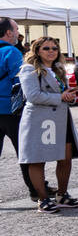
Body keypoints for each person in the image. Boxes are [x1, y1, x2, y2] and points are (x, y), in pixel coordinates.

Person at [18, 37, 78, 212]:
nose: (51, 51)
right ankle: (43, 199)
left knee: (65, 157)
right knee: (37, 159)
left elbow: (63, 93)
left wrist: (70, 96)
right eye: (46, 48)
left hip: (61, 119)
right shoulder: (29, 69)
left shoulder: (59, 68)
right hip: (40, 120)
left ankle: (62, 195)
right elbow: (32, 96)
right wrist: (60, 97)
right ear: (37, 50)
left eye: (54, 48)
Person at [0, 17, 45, 200]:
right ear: (9, 32)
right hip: (10, 111)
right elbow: (19, 83)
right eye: (17, 29)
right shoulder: (11, 52)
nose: (18, 33)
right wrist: (22, 110)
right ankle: (36, 191)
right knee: (25, 152)